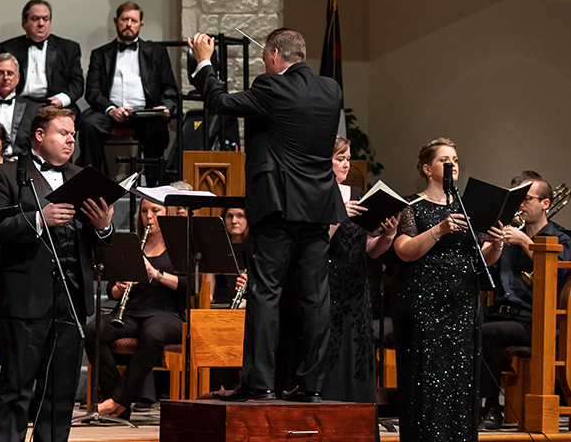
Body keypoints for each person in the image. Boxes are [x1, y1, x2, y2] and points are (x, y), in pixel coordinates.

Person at [187, 28, 343, 402]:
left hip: (276, 207)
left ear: (274, 54)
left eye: (264, 58)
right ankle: (312, 386)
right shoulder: (331, 90)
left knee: (264, 295)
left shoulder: (272, 87)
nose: (263, 63)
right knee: (315, 298)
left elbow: (220, 102)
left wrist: (204, 61)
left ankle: (260, 383)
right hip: (318, 208)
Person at [0, 107, 115, 442]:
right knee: (16, 391)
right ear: (39, 135)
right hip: (26, 298)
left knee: (59, 393)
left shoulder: (82, 176)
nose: (71, 139)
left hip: (70, 298)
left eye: (73, 134)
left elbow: (101, 243)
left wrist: (103, 227)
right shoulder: (7, 174)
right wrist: (39, 219)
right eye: (63, 133)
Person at [389, 138, 484, 439]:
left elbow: (484, 259)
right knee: (426, 377)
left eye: (455, 159)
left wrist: (495, 242)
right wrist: (439, 229)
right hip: (424, 301)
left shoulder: (468, 209)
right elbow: (404, 250)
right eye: (445, 159)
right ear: (428, 169)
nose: (453, 164)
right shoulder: (410, 205)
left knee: (460, 379)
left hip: (462, 300)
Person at [480, 171, 571, 428]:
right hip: (502, 313)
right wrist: (494, 244)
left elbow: (561, 270)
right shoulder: (508, 238)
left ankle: (491, 407)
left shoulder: (560, 238)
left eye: (527, 198)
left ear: (545, 203)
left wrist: (524, 242)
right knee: (463, 320)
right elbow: (483, 273)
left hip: (536, 320)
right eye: (516, 198)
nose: (520, 204)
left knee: (488, 333)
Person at [87, 198, 186, 419]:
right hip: (132, 312)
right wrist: (119, 288)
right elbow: (112, 286)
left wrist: (157, 275)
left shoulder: (180, 245)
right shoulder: (132, 244)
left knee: (152, 333)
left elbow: (190, 286)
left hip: (166, 313)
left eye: (155, 210)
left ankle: (116, 400)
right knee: (93, 331)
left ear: (167, 212)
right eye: (144, 211)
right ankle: (118, 404)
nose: (148, 216)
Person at [322, 137, 399, 407]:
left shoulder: (356, 194)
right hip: (325, 287)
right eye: (339, 159)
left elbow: (370, 249)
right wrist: (337, 215)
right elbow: (313, 246)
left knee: (357, 356)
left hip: (356, 291)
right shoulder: (314, 196)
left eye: (348, 158)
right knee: (329, 355)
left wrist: (389, 235)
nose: (346, 164)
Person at [78, 2, 180, 174]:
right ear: (116, 21)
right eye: (125, 19)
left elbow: (170, 88)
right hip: (110, 113)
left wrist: (167, 108)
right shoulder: (100, 54)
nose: (128, 24)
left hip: (146, 112)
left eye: (133, 20)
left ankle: (153, 185)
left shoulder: (157, 52)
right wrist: (110, 109)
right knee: (89, 123)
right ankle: (91, 180)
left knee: (157, 127)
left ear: (140, 24)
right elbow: (92, 91)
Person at [0, 0, 83, 111]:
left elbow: (77, 83)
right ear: (24, 23)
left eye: (45, 19)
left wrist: (61, 99)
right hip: (19, 103)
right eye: (35, 19)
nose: (41, 24)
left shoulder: (69, 48)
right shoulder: (8, 48)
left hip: (55, 103)